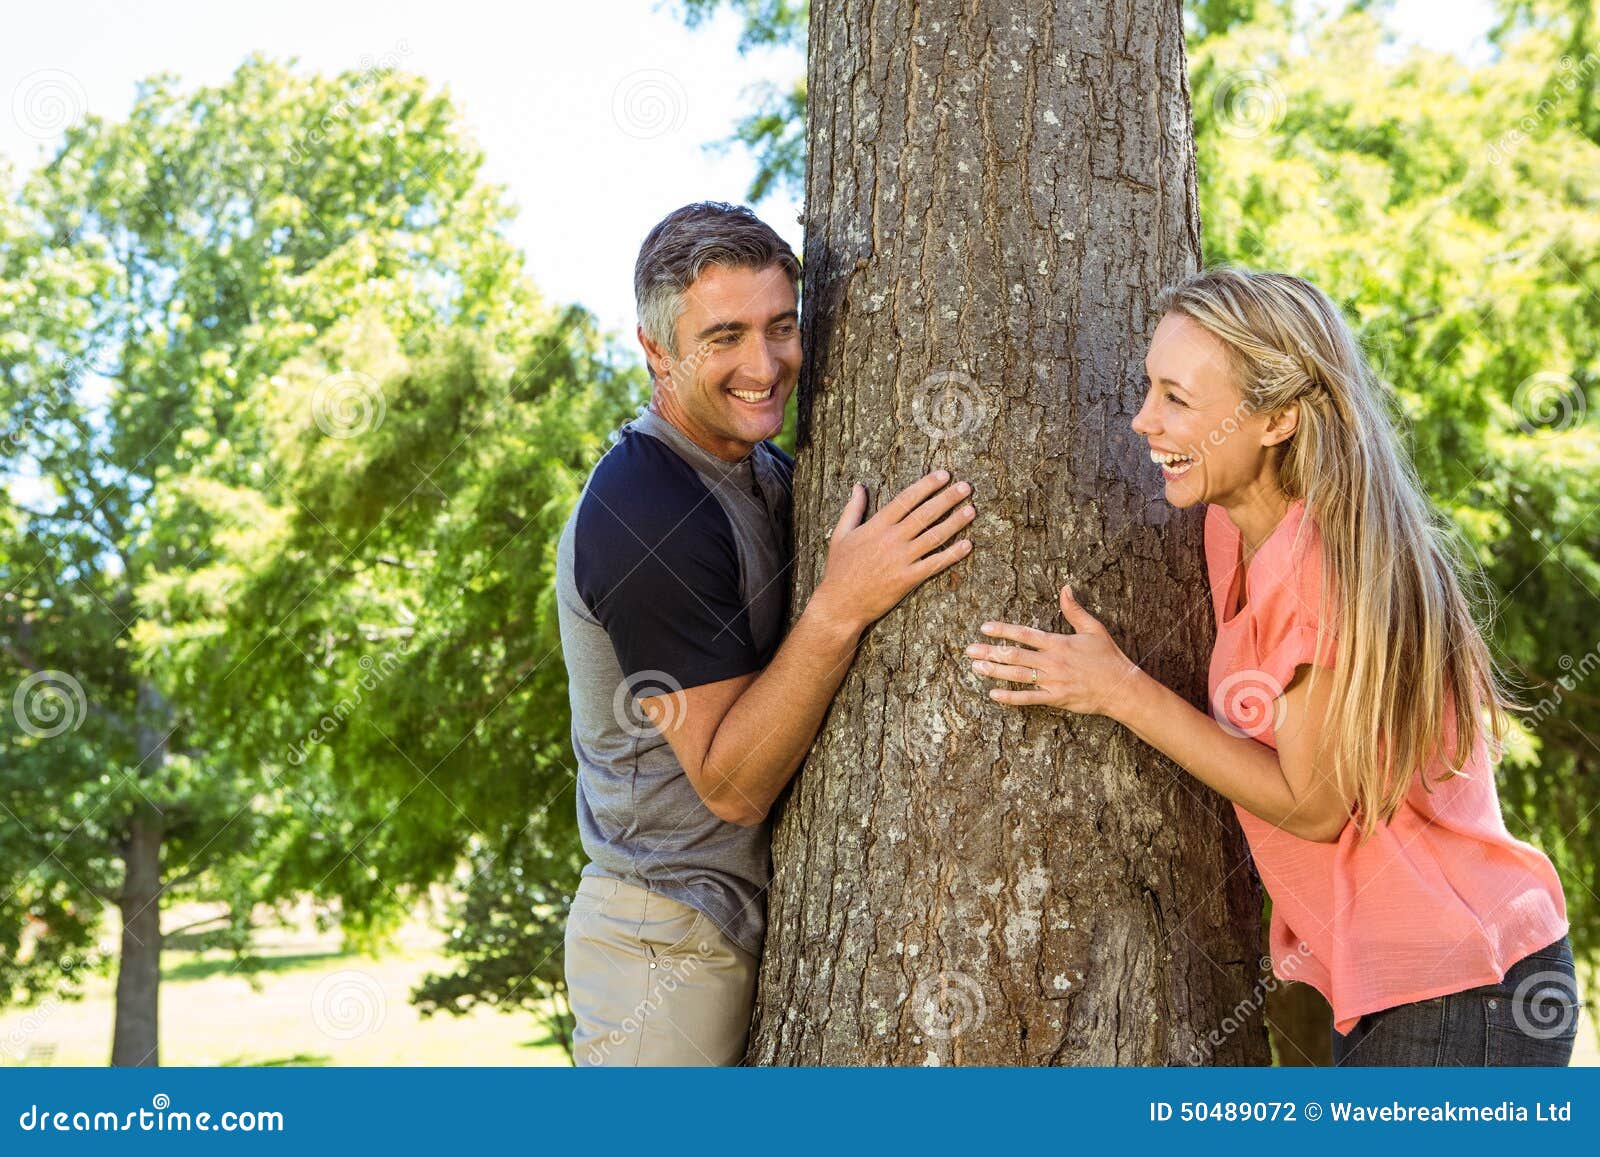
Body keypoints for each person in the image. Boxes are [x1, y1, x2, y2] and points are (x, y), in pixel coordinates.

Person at [964, 267, 1577, 1065]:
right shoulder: (1235, 528)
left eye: (1176, 398)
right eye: (1150, 388)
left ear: (1279, 418)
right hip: (1405, 983)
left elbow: (1314, 806)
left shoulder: (1321, 565)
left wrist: (1119, 689)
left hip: (1466, 987)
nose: (1143, 421)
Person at [555, 201, 976, 1065]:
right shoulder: (646, 512)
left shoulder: (762, 468)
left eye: (781, 327)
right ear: (655, 349)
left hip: (733, 922)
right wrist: (840, 604)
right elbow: (731, 784)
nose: (764, 363)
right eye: (724, 337)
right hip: (661, 941)